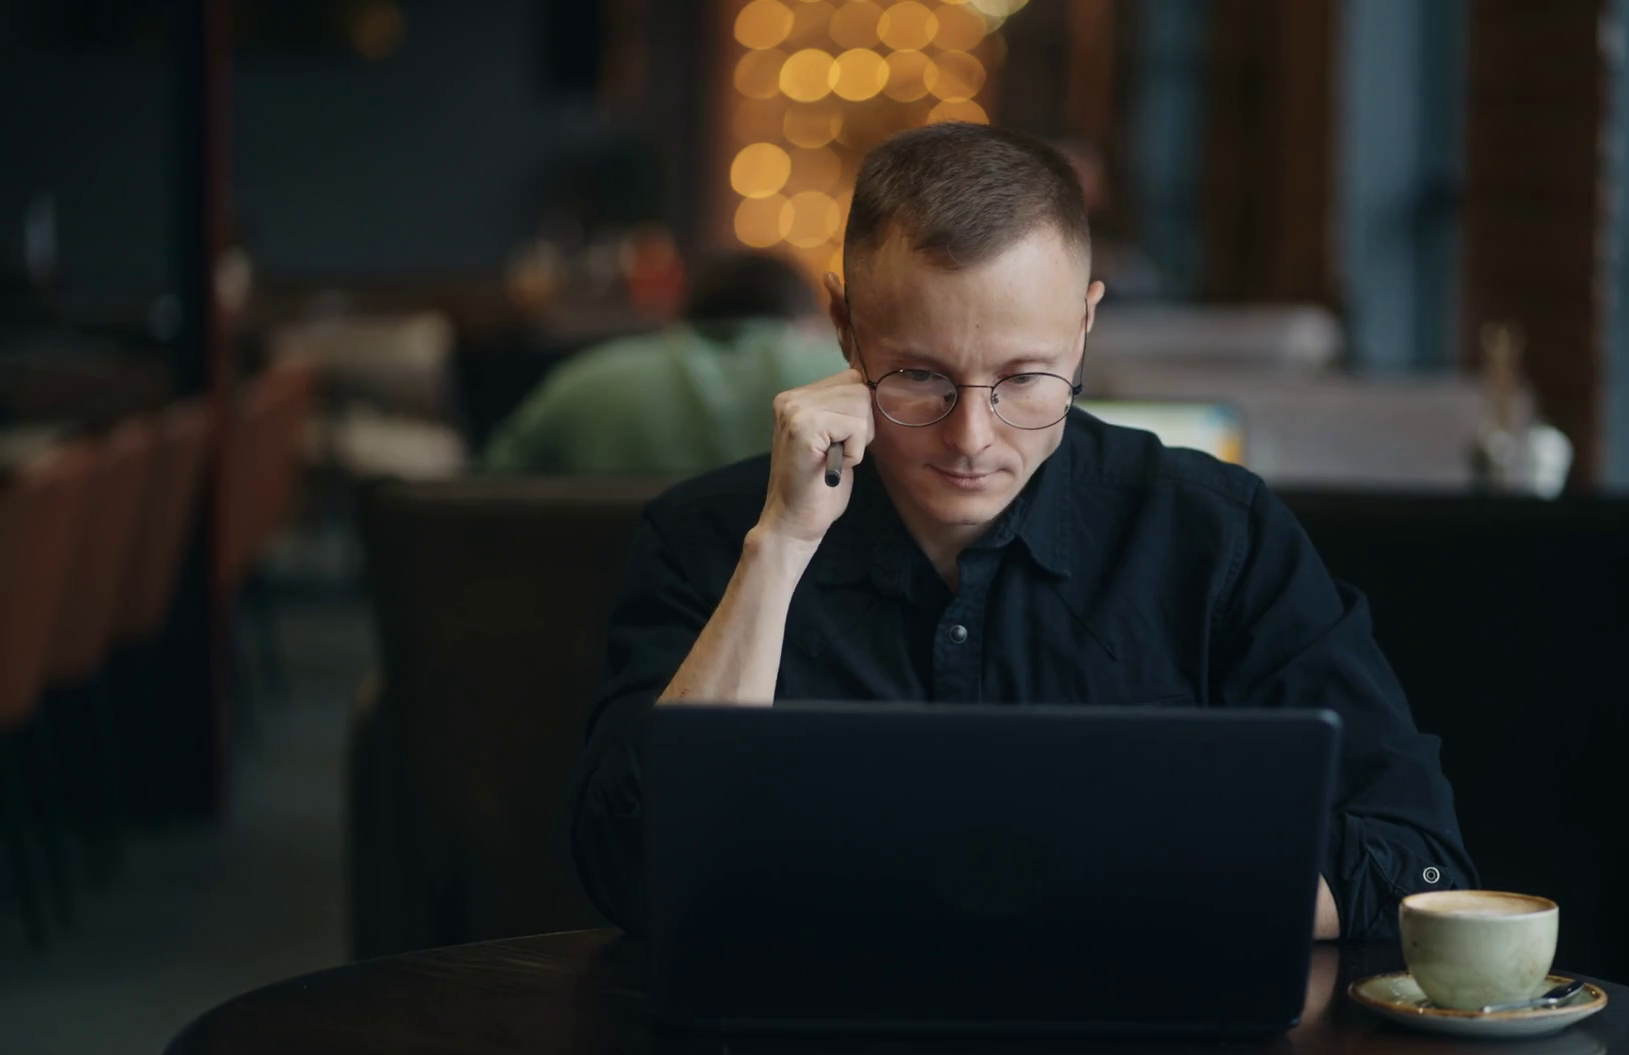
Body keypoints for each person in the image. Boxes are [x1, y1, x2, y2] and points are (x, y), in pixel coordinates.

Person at [572, 124, 1473, 942]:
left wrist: (1095, 895)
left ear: (1084, 327)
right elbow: (636, 873)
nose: (972, 438)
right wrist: (778, 552)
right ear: (844, 326)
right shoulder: (706, 538)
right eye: (920, 376)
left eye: (1024, 379)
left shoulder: (1217, 536)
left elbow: (1413, 859)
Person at [479, 252, 846, 474]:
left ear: (682, 313)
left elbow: (487, 487)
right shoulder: (844, 374)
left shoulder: (584, 379)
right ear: (807, 323)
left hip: (608, 577)